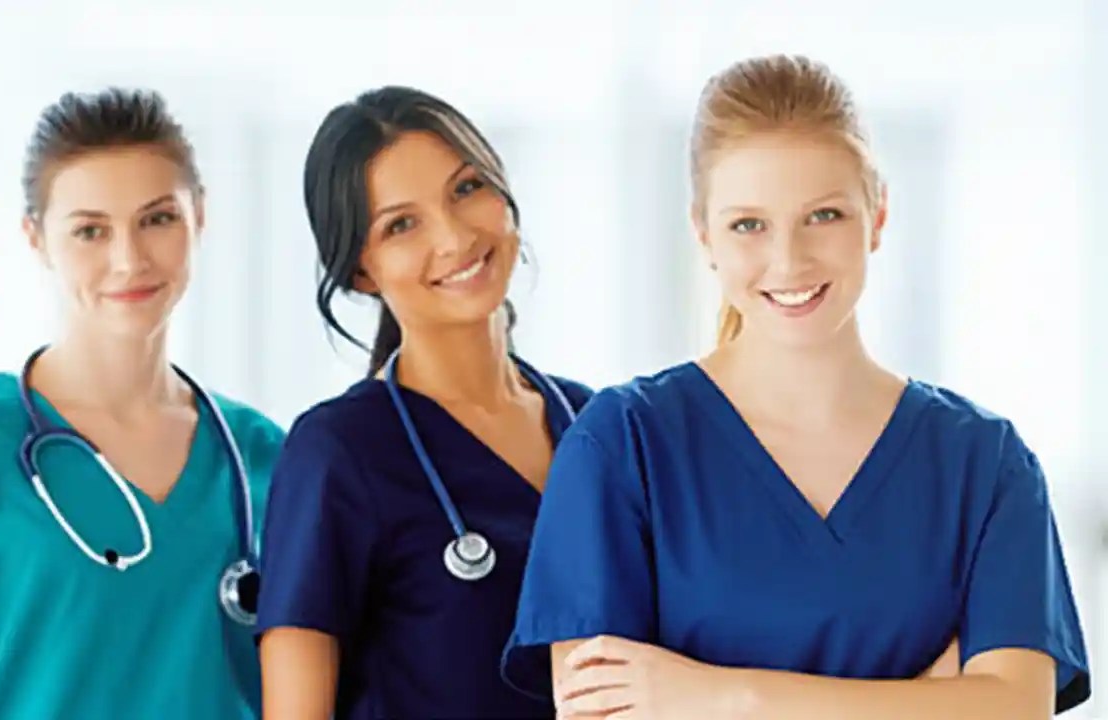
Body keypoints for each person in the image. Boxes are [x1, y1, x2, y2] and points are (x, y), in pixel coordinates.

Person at [502, 54, 1092, 718]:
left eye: (825, 216)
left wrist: (723, 694)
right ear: (704, 235)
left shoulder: (984, 462)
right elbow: (597, 710)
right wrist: (925, 701)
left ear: (879, 213)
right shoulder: (623, 444)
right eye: (748, 224)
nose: (789, 259)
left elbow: (1015, 709)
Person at [0, 87, 284, 719]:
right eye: (90, 231)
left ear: (199, 218)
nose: (128, 259)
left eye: (158, 218)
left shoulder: (267, 456)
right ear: (36, 238)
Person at [254, 86, 594, 719]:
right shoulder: (340, 452)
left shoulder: (596, 427)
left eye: (466, 189)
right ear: (360, 270)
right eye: (401, 225)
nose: (455, 237)